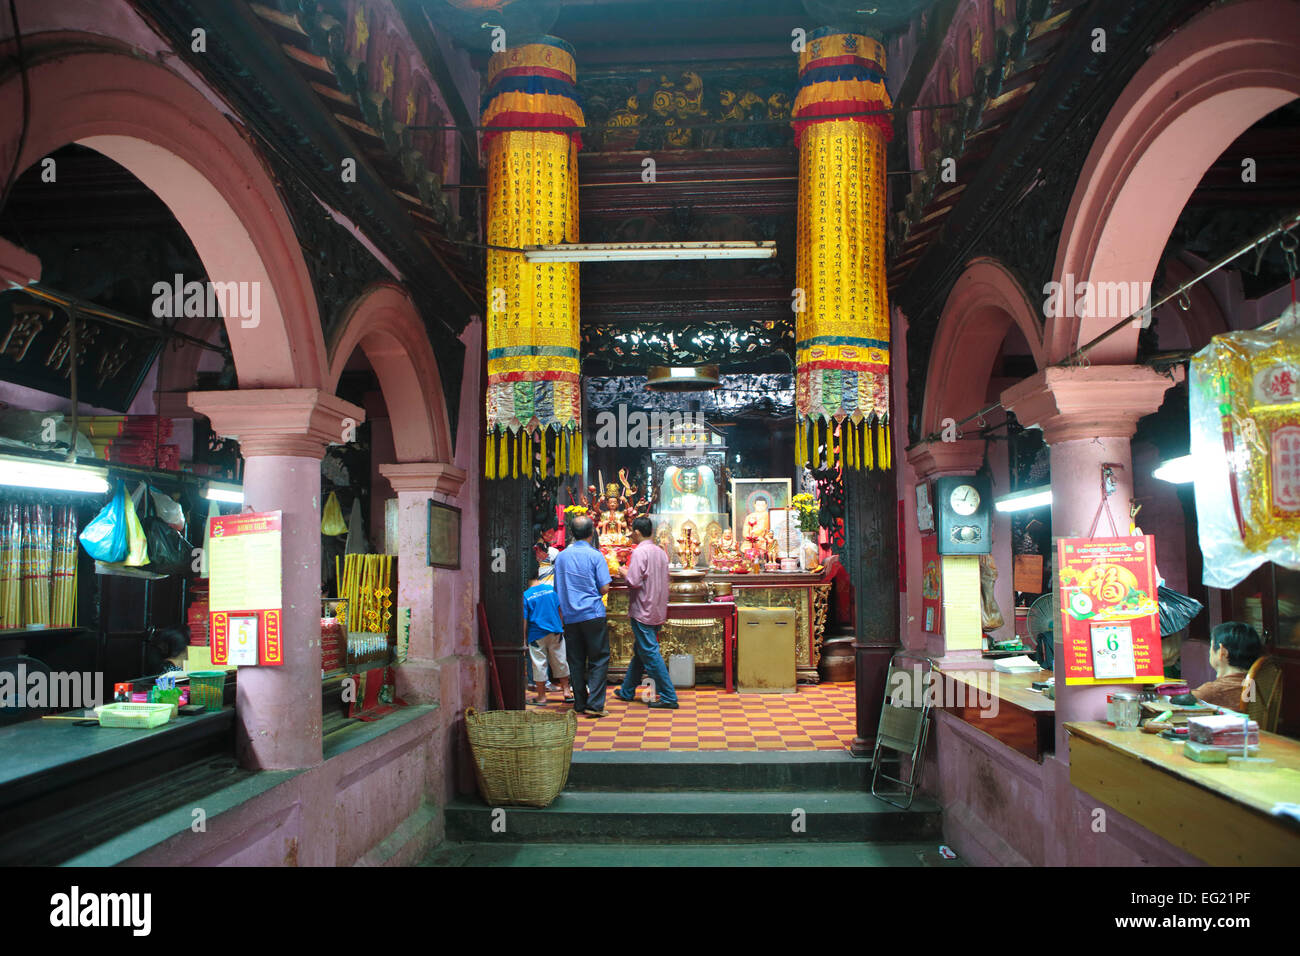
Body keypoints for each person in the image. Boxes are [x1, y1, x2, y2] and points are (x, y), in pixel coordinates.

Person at [614, 516, 678, 709]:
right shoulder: (660, 552)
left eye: (632, 532)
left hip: (643, 609)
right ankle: (627, 690)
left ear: (637, 532)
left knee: (649, 652)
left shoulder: (640, 552)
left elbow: (634, 581)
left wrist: (622, 571)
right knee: (641, 652)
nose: (631, 535)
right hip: (657, 607)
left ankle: (668, 696)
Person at [554, 515, 612, 717]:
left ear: (572, 533)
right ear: (592, 533)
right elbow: (604, 587)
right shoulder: (596, 556)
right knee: (598, 658)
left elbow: (557, 588)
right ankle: (595, 705)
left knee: (576, 660)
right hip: (592, 613)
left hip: (570, 616)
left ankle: (579, 703)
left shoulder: (561, 557)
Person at [1191, 621, 1263, 711]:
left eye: (1211, 645)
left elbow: (1178, 702)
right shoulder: (1260, 685)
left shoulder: (1214, 691)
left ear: (1222, 652)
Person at [523, 574, 571, 705]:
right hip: (556, 631)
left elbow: (524, 620)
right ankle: (566, 691)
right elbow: (560, 609)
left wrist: (523, 639)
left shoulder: (526, 595)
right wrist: (561, 625)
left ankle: (541, 696)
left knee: (539, 663)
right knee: (560, 660)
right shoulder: (551, 590)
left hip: (536, 634)